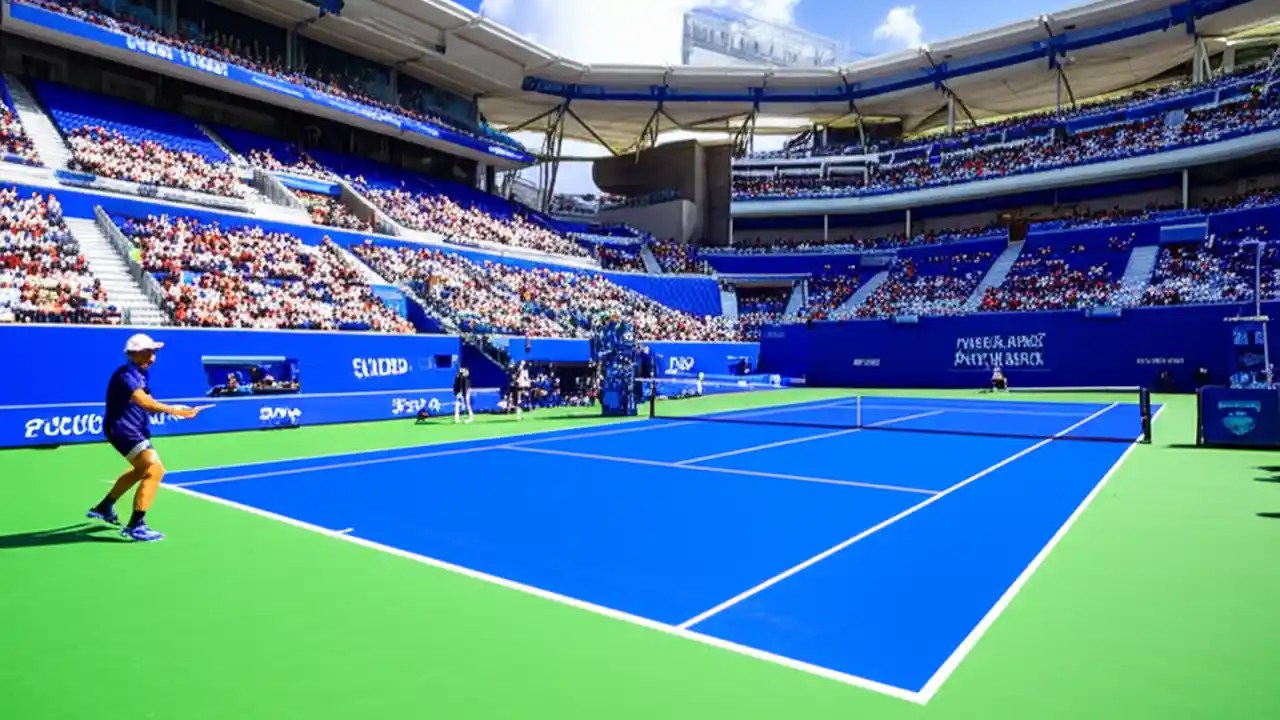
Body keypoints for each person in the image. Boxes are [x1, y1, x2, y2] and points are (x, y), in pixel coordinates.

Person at [87, 333, 203, 542]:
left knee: (142, 469)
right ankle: (136, 525)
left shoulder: (140, 374)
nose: (153, 358)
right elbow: (144, 402)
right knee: (155, 470)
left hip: (133, 428)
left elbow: (146, 404)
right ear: (137, 354)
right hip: (124, 429)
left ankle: (105, 507)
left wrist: (176, 409)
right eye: (150, 352)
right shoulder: (126, 375)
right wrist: (174, 411)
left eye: (154, 352)